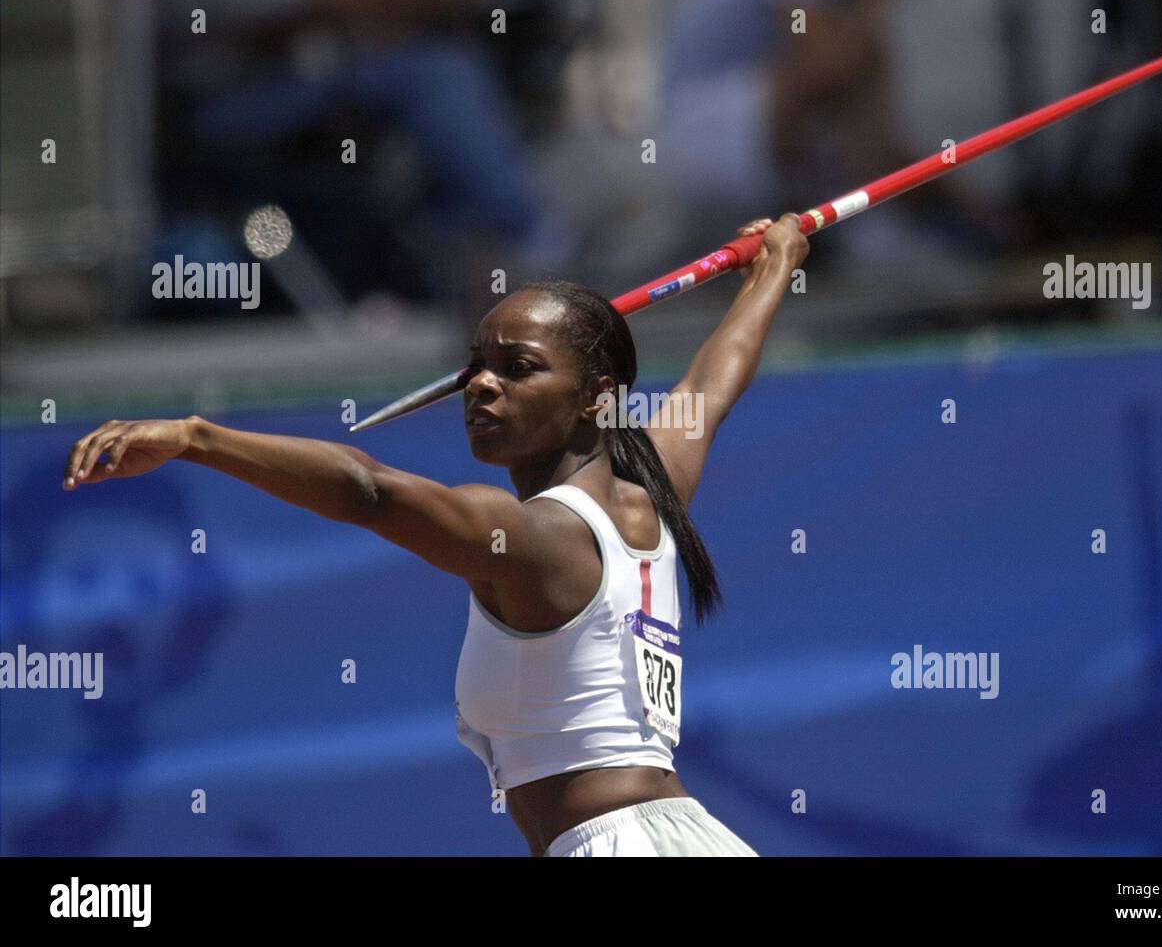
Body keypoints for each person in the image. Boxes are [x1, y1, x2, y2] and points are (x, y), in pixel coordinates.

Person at [60, 213, 810, 856]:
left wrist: (198, 438)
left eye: (518, 368)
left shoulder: (529, 534)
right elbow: (710, 387)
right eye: (478, 365)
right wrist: (773, 265)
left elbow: (369, 489)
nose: (483, 383)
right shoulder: (648, 500)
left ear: (593, 399)